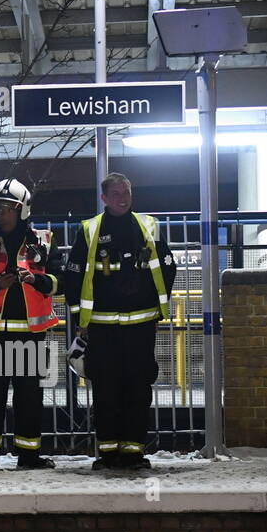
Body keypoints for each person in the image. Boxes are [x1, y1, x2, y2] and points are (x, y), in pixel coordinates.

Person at [63, 173, 176, 471]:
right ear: (104, 198)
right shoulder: (89, 230)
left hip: (140, 324)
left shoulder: (148, 226)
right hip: (101, 327)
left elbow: (166, 267)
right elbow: (73, 277)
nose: (122, 197)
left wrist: (157, 311)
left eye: (126, 191)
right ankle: (109, 452)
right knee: (106, 390)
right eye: (115, 193)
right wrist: (79, 321)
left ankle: (134, 452)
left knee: (138, 389)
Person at [0, 178, 60, 471]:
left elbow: (61, 281)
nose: (2, 214)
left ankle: (29, 456)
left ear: (22, 210)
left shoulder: (43, 241)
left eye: (8, 209)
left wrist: (37, 279)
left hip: (31, 333)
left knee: (29, 397)